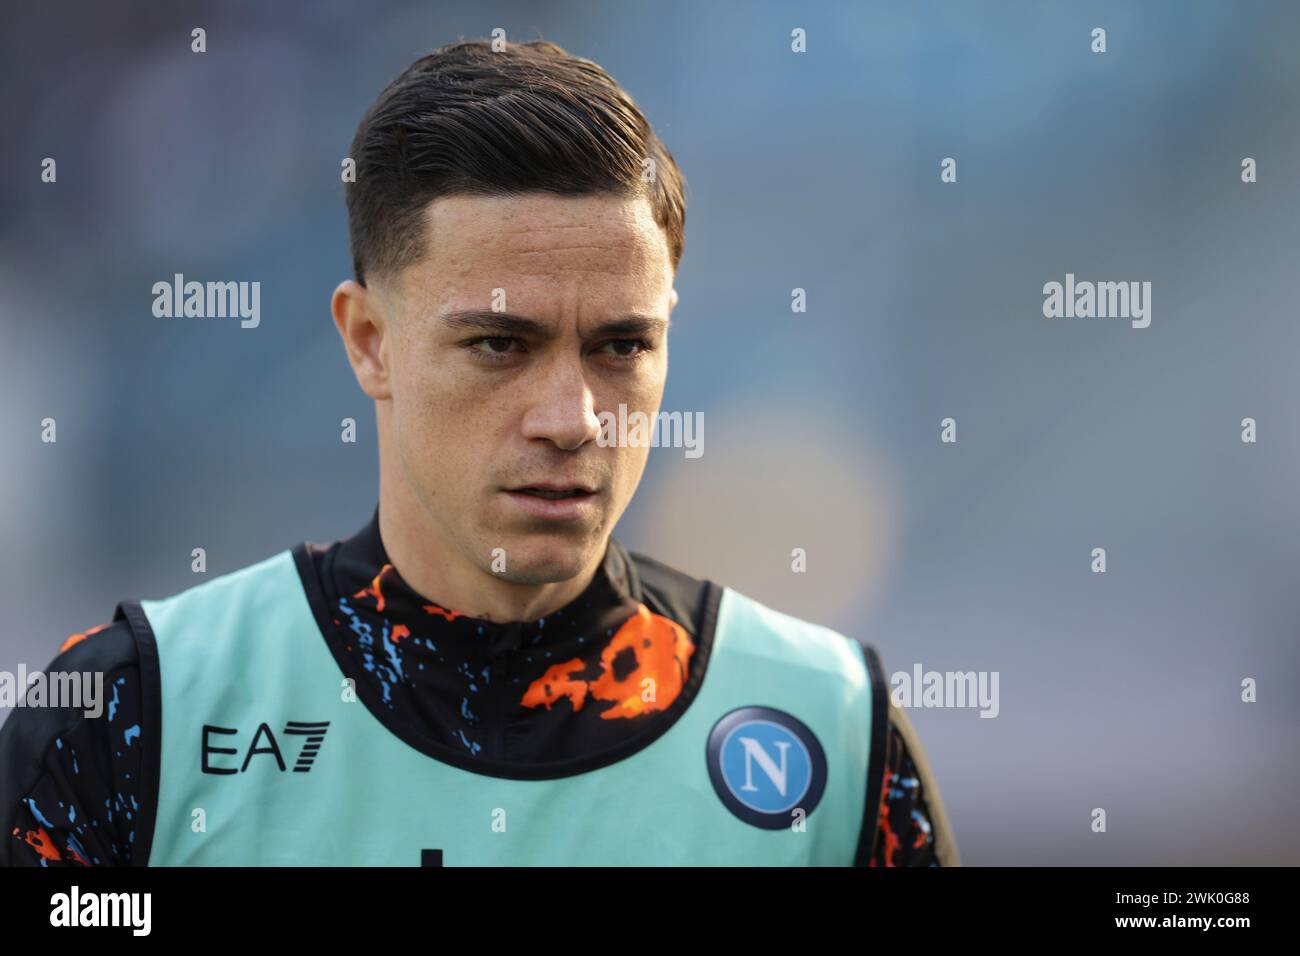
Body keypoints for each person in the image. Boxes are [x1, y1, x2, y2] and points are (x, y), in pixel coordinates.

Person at [0, 38, 958, 867]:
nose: (574, 417)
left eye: (622, 346)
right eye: (500, 344)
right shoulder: (137, 715)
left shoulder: (831, 730)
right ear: (368, 340)